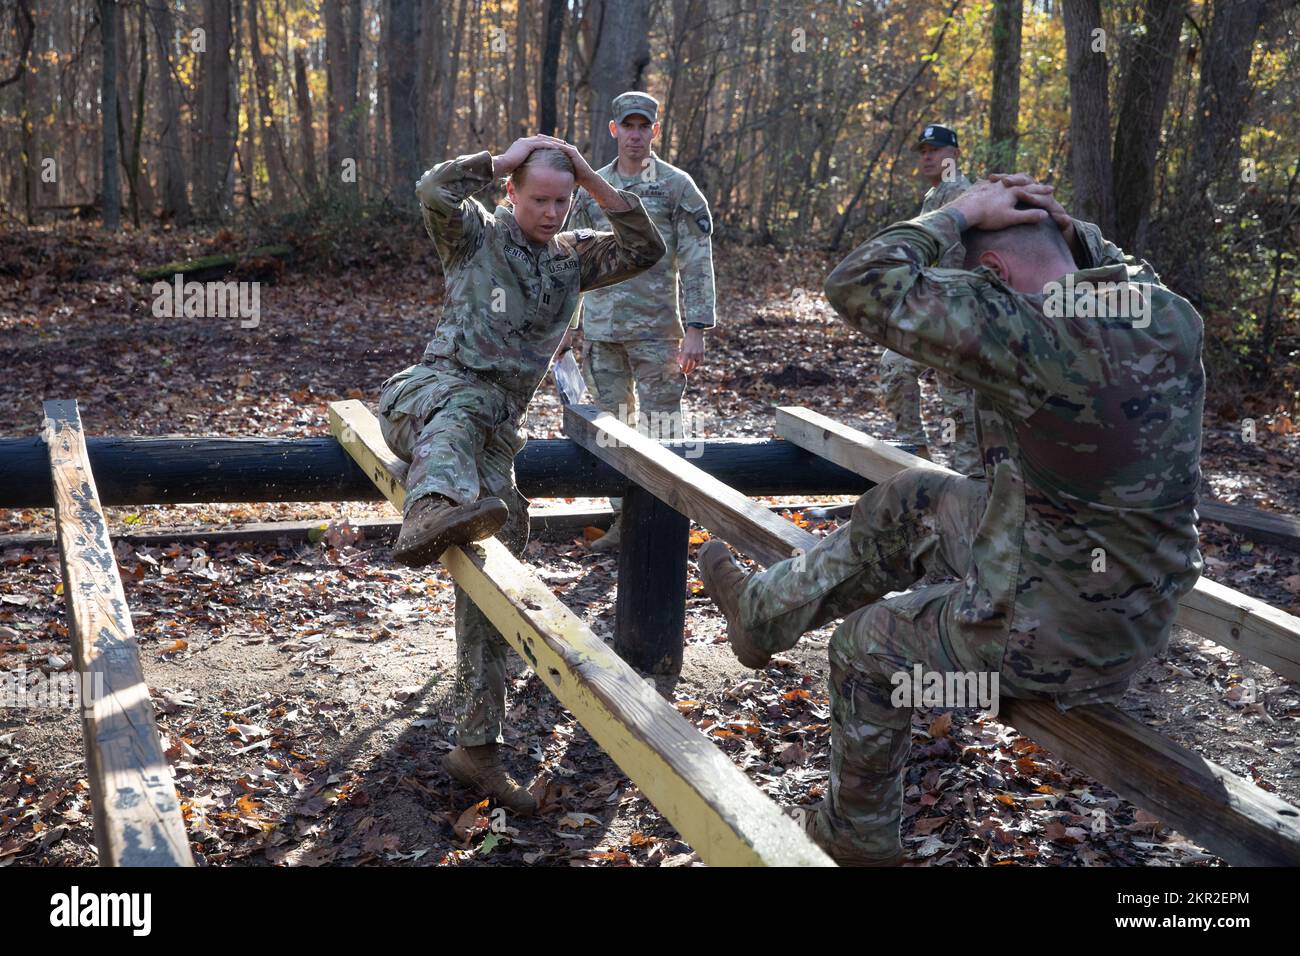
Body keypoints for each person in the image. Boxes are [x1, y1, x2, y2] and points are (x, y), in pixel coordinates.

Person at [697, 175, 1204, 865]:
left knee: (861, 653)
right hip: (1130, 595)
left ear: (992, 274)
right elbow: (1101, 259)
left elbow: (858, 284)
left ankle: (857, 835)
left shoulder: (1025, 331)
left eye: (980, 278)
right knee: (915, 498)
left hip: (1065, 645)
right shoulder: (1166, 311)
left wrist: (958, 212)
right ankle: (761, 614)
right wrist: (1057, 221)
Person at [378, 135, 665, 813]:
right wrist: (501, 160)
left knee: (492, 581)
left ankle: (477, 749)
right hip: (424, 400)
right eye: (538, 198)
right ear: (510, 194)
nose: (551, 212)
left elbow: (647, 250)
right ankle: (429, 508)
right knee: (468, 405)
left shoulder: (573, 259)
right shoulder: (474, 237)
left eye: (561, 201)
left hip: (493, 438)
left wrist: (593, 179)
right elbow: (432, 191)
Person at [568, 91, 717, 551]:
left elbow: (695, 258)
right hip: (602, 329)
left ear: (655, 130)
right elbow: (572, 256)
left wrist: (697, 326)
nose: (635, 135)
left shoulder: (676, 186)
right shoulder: (595, 187)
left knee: (662, 428)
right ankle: (626, 524)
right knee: (613, 431)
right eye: (626, 126)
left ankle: (668, 525)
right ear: (614, 130)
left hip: (657, 331)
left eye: (643, 127)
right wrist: (569, 325)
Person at [877, 123, 981, 475]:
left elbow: (947, 261)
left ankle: (962, 479)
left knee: (956, 401)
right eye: (922, 151)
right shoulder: (936, 194)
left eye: (934, 150)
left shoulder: (957, 192)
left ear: (953, 154)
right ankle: (918, 464)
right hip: (936, 310)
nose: (926, 157)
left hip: (955, 313)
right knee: (901, 369)